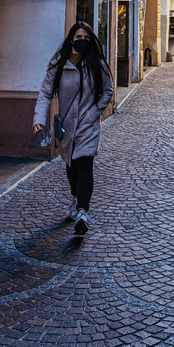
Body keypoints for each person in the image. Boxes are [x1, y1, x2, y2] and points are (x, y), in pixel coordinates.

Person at [33, 21, 114, 235]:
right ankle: (76, 198)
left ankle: (82, 212)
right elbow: (45, 92)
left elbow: (108, 90)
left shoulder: (96, 63)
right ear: (71, 39)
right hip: (67, 126)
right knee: (71, 166)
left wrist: (93, 114)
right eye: (79, 37)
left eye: (87, 38)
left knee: (85, 165)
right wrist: (38, 119)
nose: (83, 41)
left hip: (87, 126)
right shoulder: (59, 64)